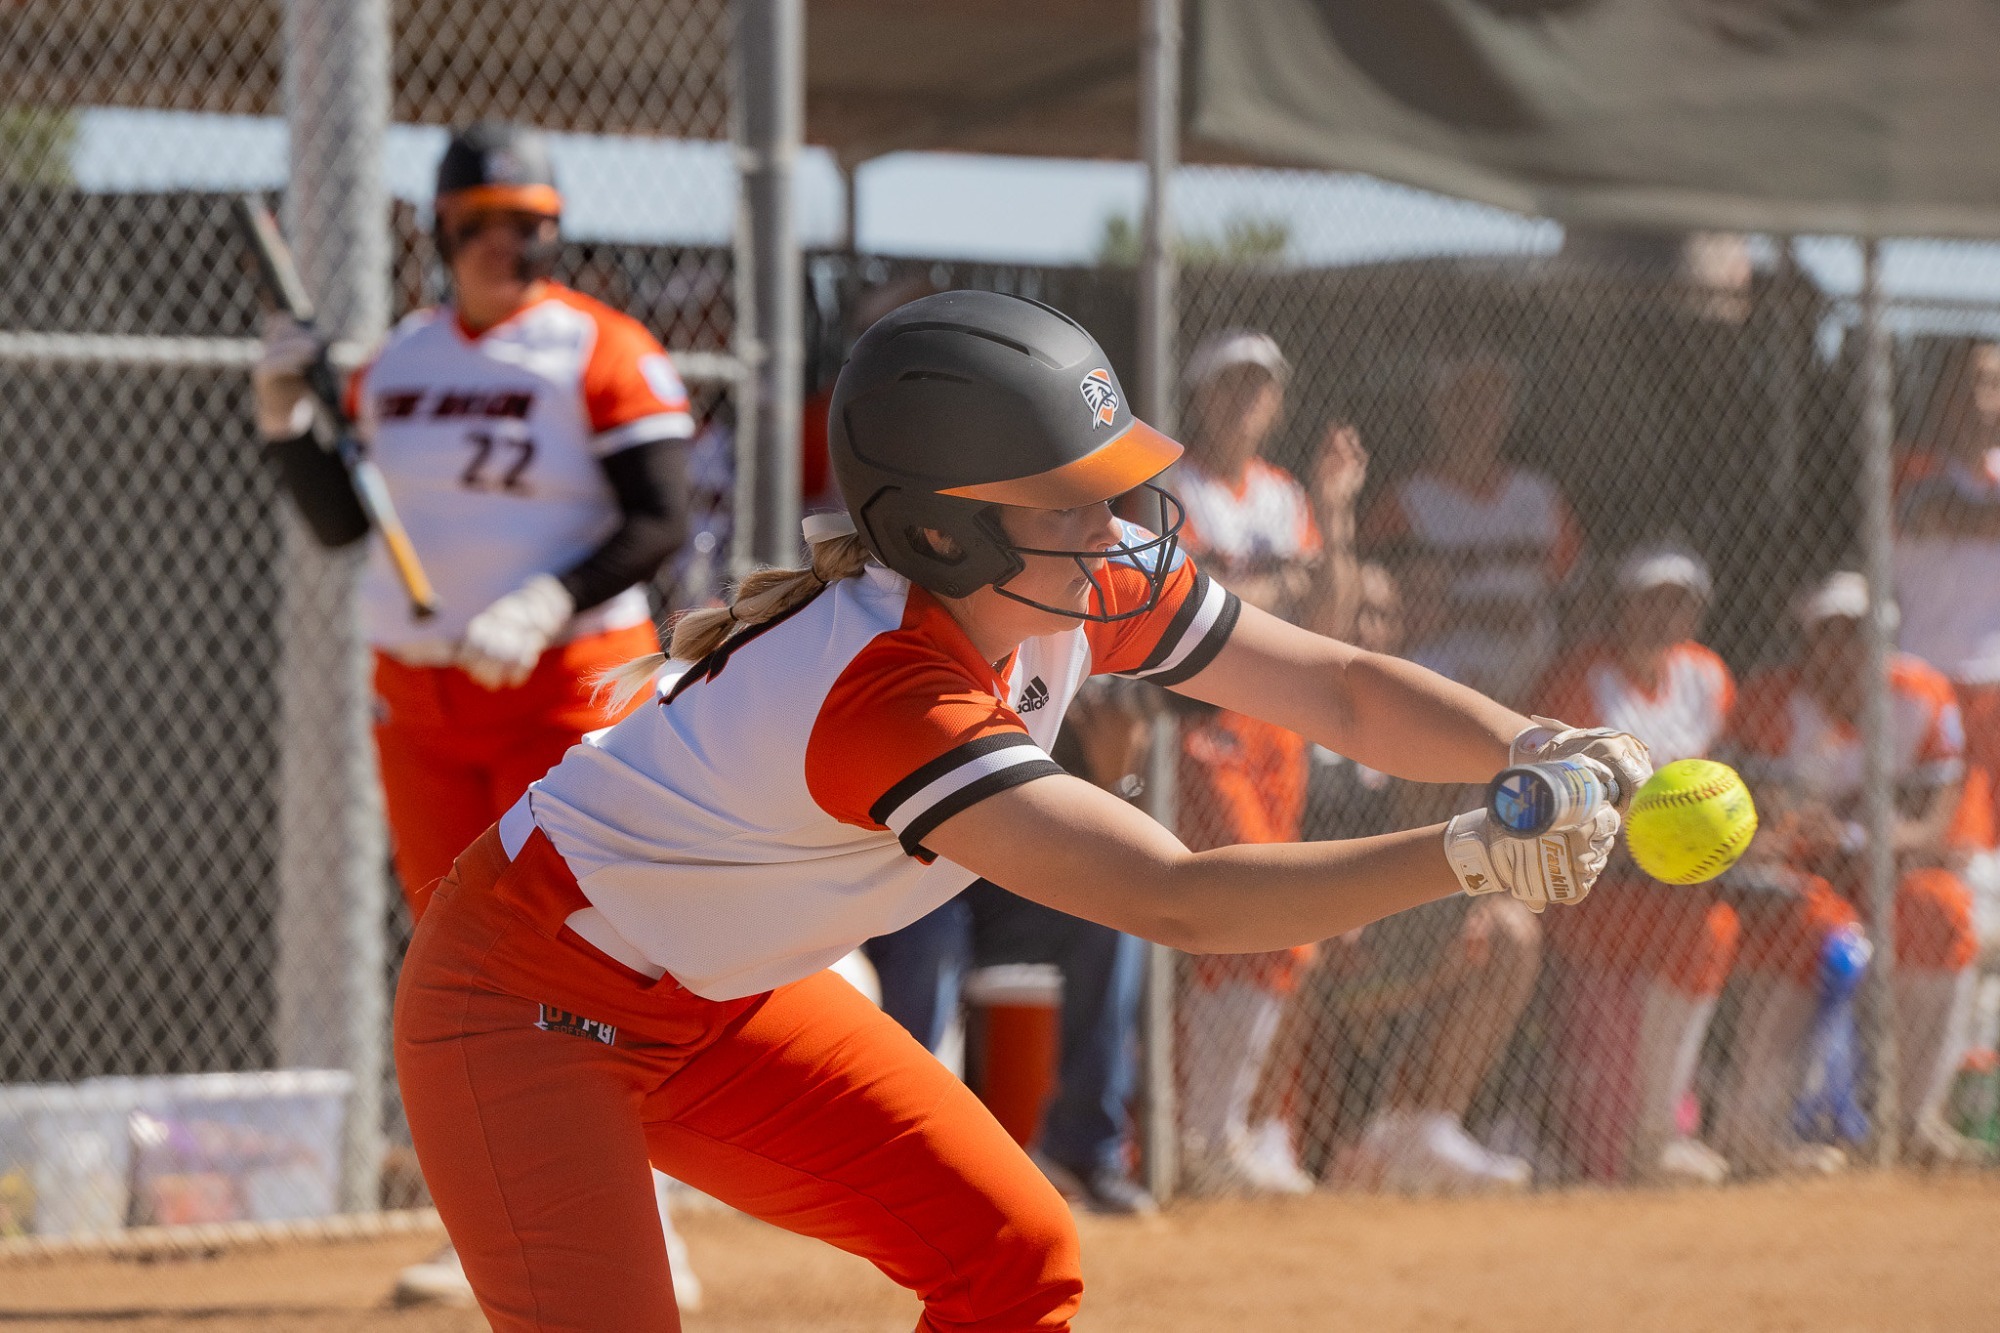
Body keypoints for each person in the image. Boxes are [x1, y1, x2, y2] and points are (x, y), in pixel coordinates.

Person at [391, 290, 1645, 1332]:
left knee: (1010, 1253)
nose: (1110, 529)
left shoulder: (1071, 584)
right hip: (527, 1008)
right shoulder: (890, 694)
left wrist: (1533, 745)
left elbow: (1339, 685)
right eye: (1067, 497)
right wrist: (1470, 851)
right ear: (942, 530)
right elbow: (1174, 897)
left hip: (717, 996)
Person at [253, 122, 700, 1308]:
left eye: (533, 222)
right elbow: (345, 525)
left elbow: (660, 515)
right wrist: (284, 417)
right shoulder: (393, 362)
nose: (512, 243)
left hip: (566, 685)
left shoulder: (601, 348)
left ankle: (642, 1209)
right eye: (486, 221)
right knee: (461, 958)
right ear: (442, 230)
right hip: (425, 699)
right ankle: (508, 1218)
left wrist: (547, 598)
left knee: (581, 947)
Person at [1169, 330, 1365, 1195]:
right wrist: (1278, 589)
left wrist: (1339, 508)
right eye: (1230, 383)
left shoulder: (1289, 496)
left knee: (1268, 929)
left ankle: (1224, 1133)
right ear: (1199, 396)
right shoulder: (1173, 488)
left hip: (1279, 728)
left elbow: (1328, 617)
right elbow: (1189, 614)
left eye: (1261, 385)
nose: (1246, 398)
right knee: (1253, 915)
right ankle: (1206, 1136)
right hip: (1208, 723)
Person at [1715, 572, 1984, 1172]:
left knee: (1939, 910)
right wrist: (1798, 830)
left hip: (1882, 870)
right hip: (1795, 874)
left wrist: (1857, 836)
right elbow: (1755, 820)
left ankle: (1913, 1122)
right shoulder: (1769, 701)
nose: (1842, 649)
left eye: (1857, 634)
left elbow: (1940, 827)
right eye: (1829, 635)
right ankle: (1750, 1128)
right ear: (1807, 641)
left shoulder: (1922, 694)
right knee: (1809, 920)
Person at [862, 682, 1161, 1216]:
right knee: (930, 940)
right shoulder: (940, 654)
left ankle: (1085, 1152)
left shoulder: (1074, 662)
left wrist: (1116, 781)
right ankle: (900, 1156)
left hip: (1014, 881)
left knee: (1113, 916)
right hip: (915, 868)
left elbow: (1103, 847)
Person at [1295, 561, 1544, 1194]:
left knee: (1509, 929)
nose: (1370, 626)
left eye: (1384, 614)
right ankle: (1288, 1138)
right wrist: (1334, 918)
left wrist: (1474, 903)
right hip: (1299, 919)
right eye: (1359, 610)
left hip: (1386, 929)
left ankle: (1422, 1131)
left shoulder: (1405, 723)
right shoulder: (1289, 707)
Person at [1536, 544, 1740, 1185]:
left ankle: (1660, 1136)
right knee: (1601, 1150)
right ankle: (1630, 1144)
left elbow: (1726, 782)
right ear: (1618, 607)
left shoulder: (1708, 677)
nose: (1662, 614)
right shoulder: (1578, 680)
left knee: (1717, 929)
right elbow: (1561, 795)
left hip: (1675, 890)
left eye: (1678, 601)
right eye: (1649, 599)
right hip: (1595, 889)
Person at [1361, 351, 1585, 709]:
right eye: (1463, 397)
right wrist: (1477, 615)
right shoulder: (1404, 503)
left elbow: (1579, 599)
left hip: (1538, 693)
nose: (1478, 412)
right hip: (1433, 696)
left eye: (1492, 399)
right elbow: (1373, 617)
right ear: (1438, 407)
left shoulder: (1539, 498)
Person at [1895, 338, 2000, 958]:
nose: (1983, 400)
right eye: (1971, 384)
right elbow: (1943, 514)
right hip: (1921, 682)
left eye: (1994, 385)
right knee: (1932, 847)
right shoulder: (1910, 467)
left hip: (1993, 686)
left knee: (1985, 851)